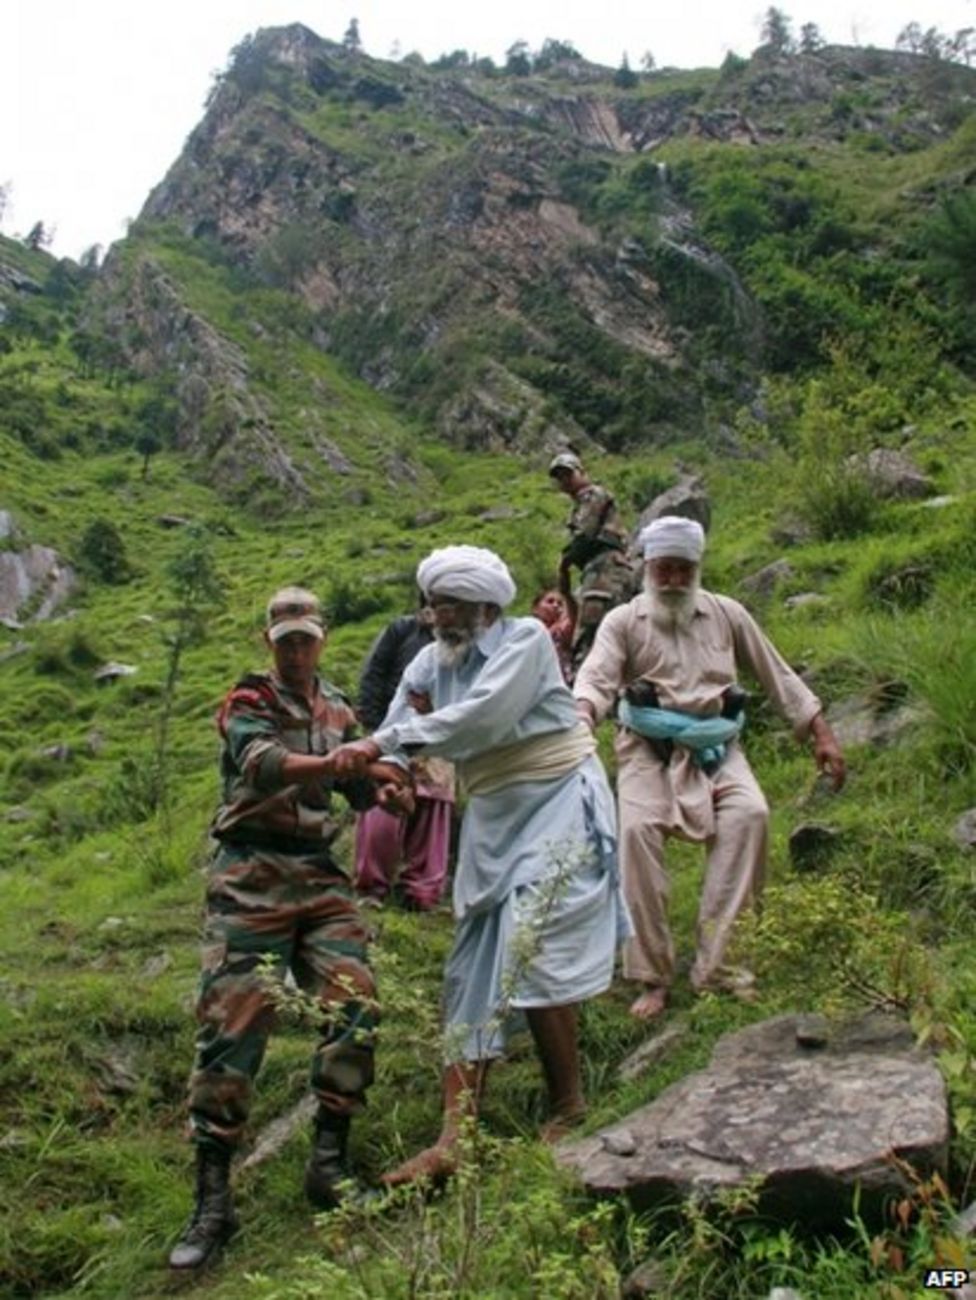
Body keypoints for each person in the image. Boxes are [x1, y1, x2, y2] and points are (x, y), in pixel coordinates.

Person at [329, 545, 629, 1185]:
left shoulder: (525, 642)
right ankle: (454, 1135)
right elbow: (399, 721)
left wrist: (381, 745)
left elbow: (479, 717)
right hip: (494, 812)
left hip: (556, 797)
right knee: (470, 961)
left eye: (454, 606)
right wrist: (389, 773)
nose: (440, 617)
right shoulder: (426, 662)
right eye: (435, 605)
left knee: (533, 935)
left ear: (487, 608)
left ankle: (569, 1102)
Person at [169, 587, 412, 1272]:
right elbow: (262, 763)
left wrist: (384, 785)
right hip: (250, 877)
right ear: (269, 642)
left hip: (317, 875)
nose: (298, 650)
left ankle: (329, 1163)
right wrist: (333, 766)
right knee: (233, 1027)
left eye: (307, 638)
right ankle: (212, 1199)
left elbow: (358, 786)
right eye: (286, 640)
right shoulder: (249, 701)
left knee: (356, 1000)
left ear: (322, 638)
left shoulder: (337, 707)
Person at [573, 517, 846, 1021]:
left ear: (697, 569)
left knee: (751, 815)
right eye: (665, 569)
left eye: (683, 569)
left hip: (719, 750)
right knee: (637, 834)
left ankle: (721, 967)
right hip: (647, 753)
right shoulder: (623, 622)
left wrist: (821, 733)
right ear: (648, 569)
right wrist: (585, 713)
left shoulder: (727, 614)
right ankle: (651, 976)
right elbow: (597, 676)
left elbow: (777, 674)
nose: (674, 580)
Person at [355, 601, 455, 911]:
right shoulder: (403, 630)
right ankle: (371, 888)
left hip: (440, 736)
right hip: (392, 729)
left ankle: (420, 893)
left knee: (432, 804)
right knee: (382, 804)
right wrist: (374, 724)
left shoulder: (466, 644)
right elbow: (376, 670)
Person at [548, 451, 636, 673]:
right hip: (598, 569)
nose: (564, 480)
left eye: (568, 473)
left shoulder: (592, 495)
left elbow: (585, 534)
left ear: (582, 472)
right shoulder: (578, 505)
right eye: (559, 477)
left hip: (605, 569)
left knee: (595, 629)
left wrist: (564, 561)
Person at [531, 587, 576, 685]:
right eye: (550, 601)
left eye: (560, 604)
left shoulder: (561, 629)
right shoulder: (527, 630)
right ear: (535, 608)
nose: (555, 605)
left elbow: (574, 615)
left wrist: (567, 595)